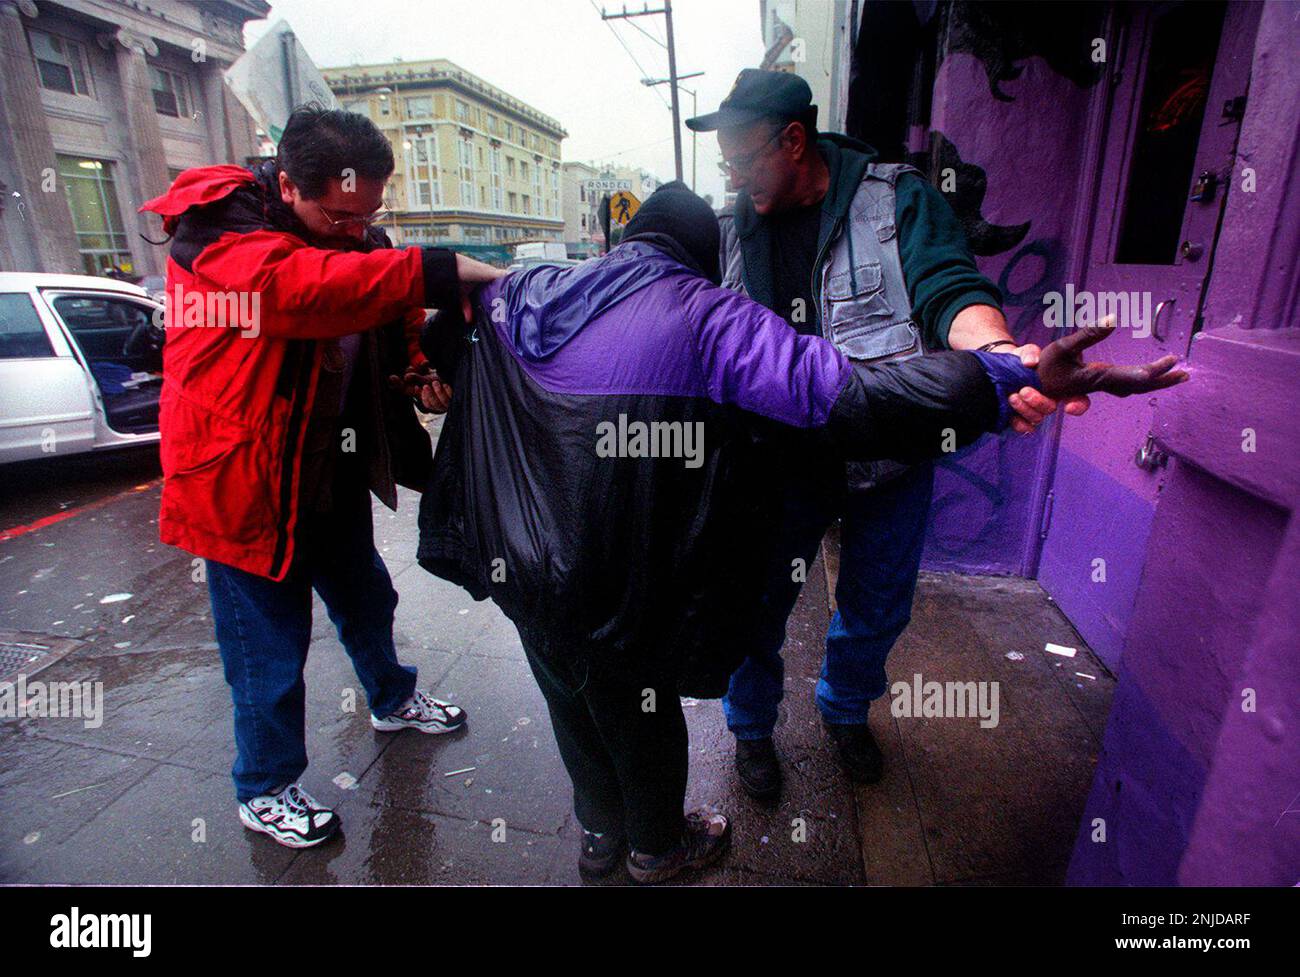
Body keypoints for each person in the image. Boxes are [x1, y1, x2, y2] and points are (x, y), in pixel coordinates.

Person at [415, 182, 1184, 883]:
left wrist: (467, 294)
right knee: (638, 707)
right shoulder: (710, 317)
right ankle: (655, 847)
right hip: (617, 579)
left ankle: (596, 834)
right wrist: (1003, 377)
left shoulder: (527, 290)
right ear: (701, 256)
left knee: (567, 695)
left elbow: (446, 329)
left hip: (519, 561)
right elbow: (853, 396)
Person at [685, 69, 1085, 801]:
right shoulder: (729, 230)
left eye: (743, 159)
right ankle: (750, 729)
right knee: (752, 605)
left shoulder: (896, 200)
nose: (734, 177)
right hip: (775, 464)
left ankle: (843, 710)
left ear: (794, 140)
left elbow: (951, 291)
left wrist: (999, 359)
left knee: (877, 604)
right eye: (727, 165)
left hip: (889, 460)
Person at [140, 106, 503, 848]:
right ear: (288, 185)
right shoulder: (220, 236)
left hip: (327, 465)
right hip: (242, 480)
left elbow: (382, 312)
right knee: (268, 648)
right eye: (341, 215)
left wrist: (418, 369)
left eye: (370, 215)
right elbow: (298, 292)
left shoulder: (351, 238)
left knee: (367, 593)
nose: (357, 230)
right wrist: (441, 267)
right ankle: (264, 786)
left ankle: (391, 698)